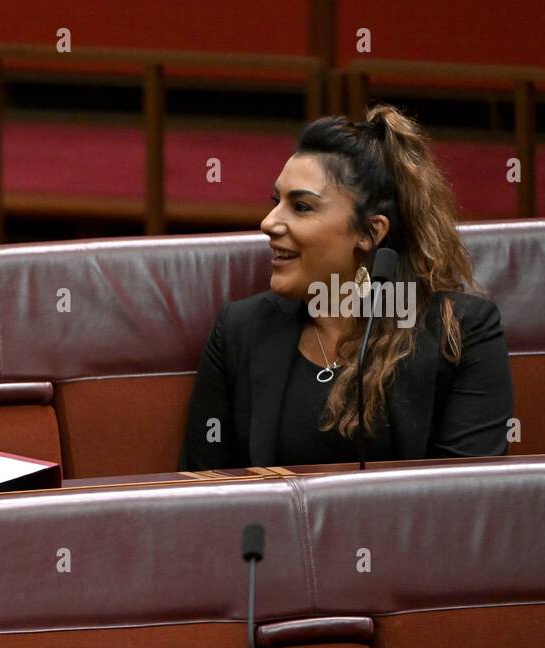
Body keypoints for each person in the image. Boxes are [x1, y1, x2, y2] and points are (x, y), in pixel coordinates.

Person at [179, 103, 513, 470]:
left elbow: (466, 499)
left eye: (301, 207)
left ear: (370, 233)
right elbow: (205, 490)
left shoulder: (460, 332)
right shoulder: (239, 331)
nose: (268, 223)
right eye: (276, 203)